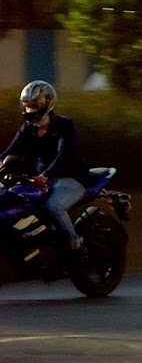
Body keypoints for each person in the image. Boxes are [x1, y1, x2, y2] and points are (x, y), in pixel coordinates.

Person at [2, 81, 92, 251]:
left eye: (35, 105)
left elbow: (64, 154)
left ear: (47, 103)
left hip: (71, 178)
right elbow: (9, 152)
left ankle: (75, 244)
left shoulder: (65, 125)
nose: (30, 110)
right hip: (41, 179)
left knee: (53, 206)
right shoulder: (27, 129)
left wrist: (46, 175)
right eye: (27, 105)